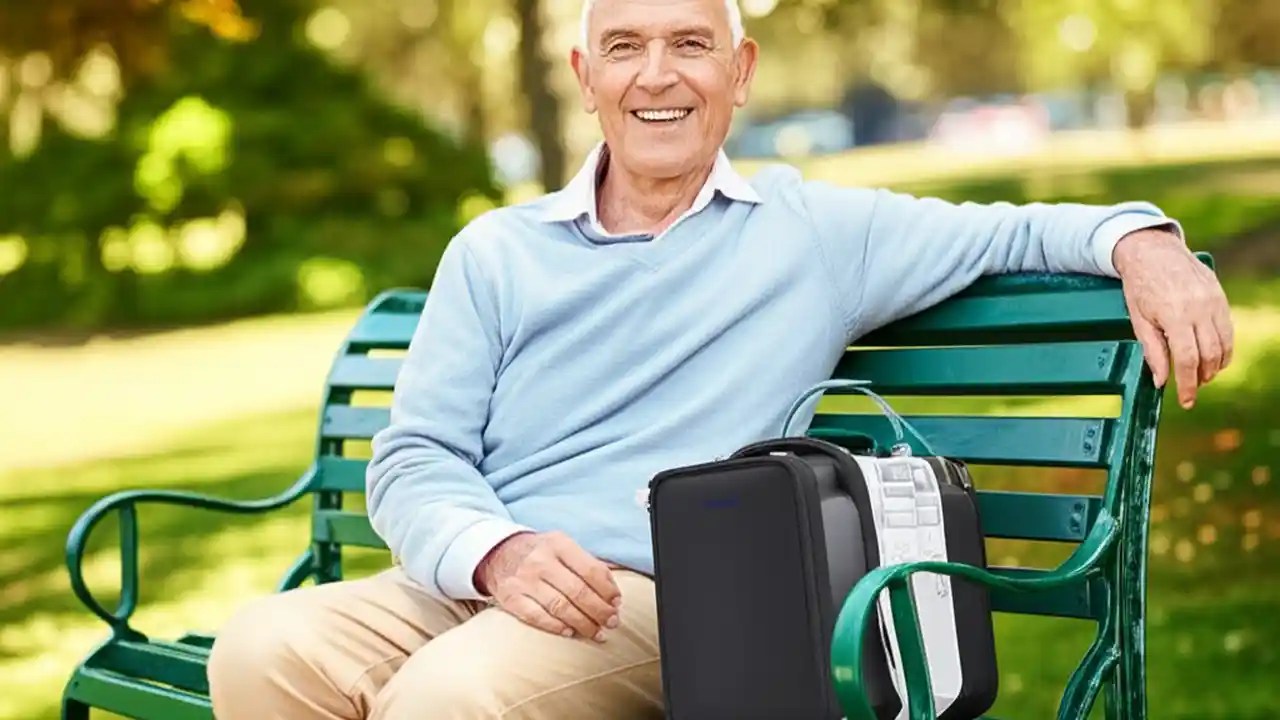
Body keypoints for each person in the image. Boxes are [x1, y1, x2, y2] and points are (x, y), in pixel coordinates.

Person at [206, 0, 1234, 715]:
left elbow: (1014, 232)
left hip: (663, 596)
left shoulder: (814, 234)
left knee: (447, 701)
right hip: (483, 570)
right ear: (585, 75)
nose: (656, 75)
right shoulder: (495, 251)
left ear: (736, 75)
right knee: (258, 653)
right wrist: (493, 552)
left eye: (688, 43)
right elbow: (415, 456)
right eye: (623, 46)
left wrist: (1140, 241)